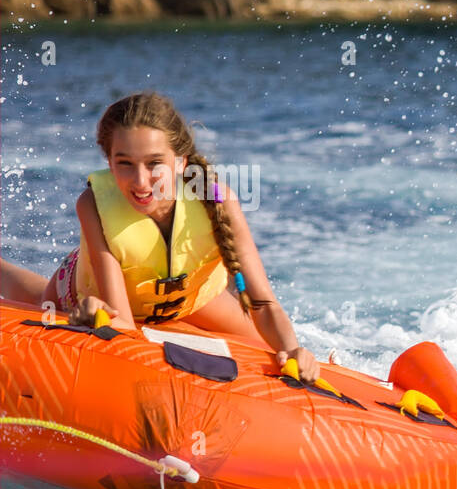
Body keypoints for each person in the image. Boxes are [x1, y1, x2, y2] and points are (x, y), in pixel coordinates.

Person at [0, 91, 319, 381]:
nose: (140, 181)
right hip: (91, 294)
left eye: (154, 163)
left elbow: (262, 302)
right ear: (109, 163)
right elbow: (122, 325)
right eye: (124, 163)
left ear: (180, 162)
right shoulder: (92, 205)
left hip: (186, 300)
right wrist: (93, 313)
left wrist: (293, 351)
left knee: (263, 342)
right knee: (35, 298)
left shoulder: (217, 202)